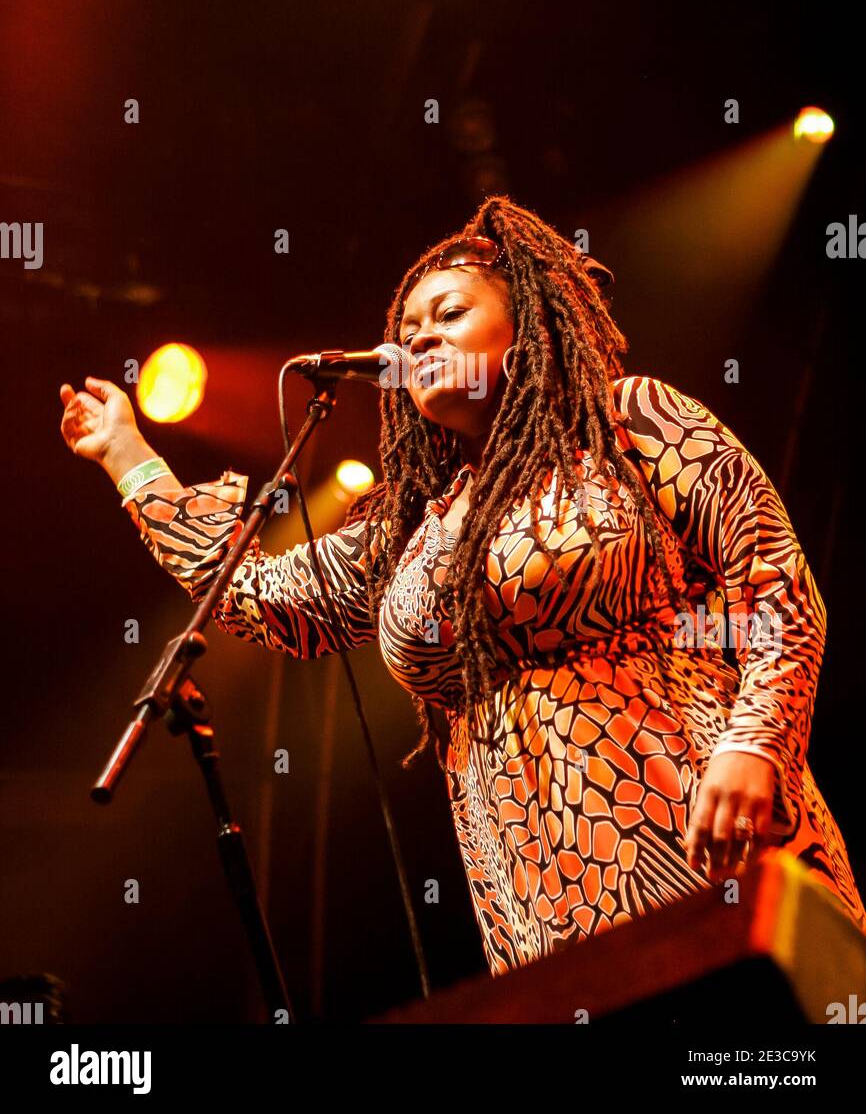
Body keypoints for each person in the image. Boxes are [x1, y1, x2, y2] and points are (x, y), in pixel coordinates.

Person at [59, 194, 866, 977]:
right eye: (409, 330)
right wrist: (130, 456)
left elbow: (776, 585)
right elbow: (258, 594)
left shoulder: (626, 423)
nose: (421, 339)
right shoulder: (417, 528)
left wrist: (755, 744)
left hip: (693, 815)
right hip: (532, 894)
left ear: (527, 328)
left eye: (449, 314)